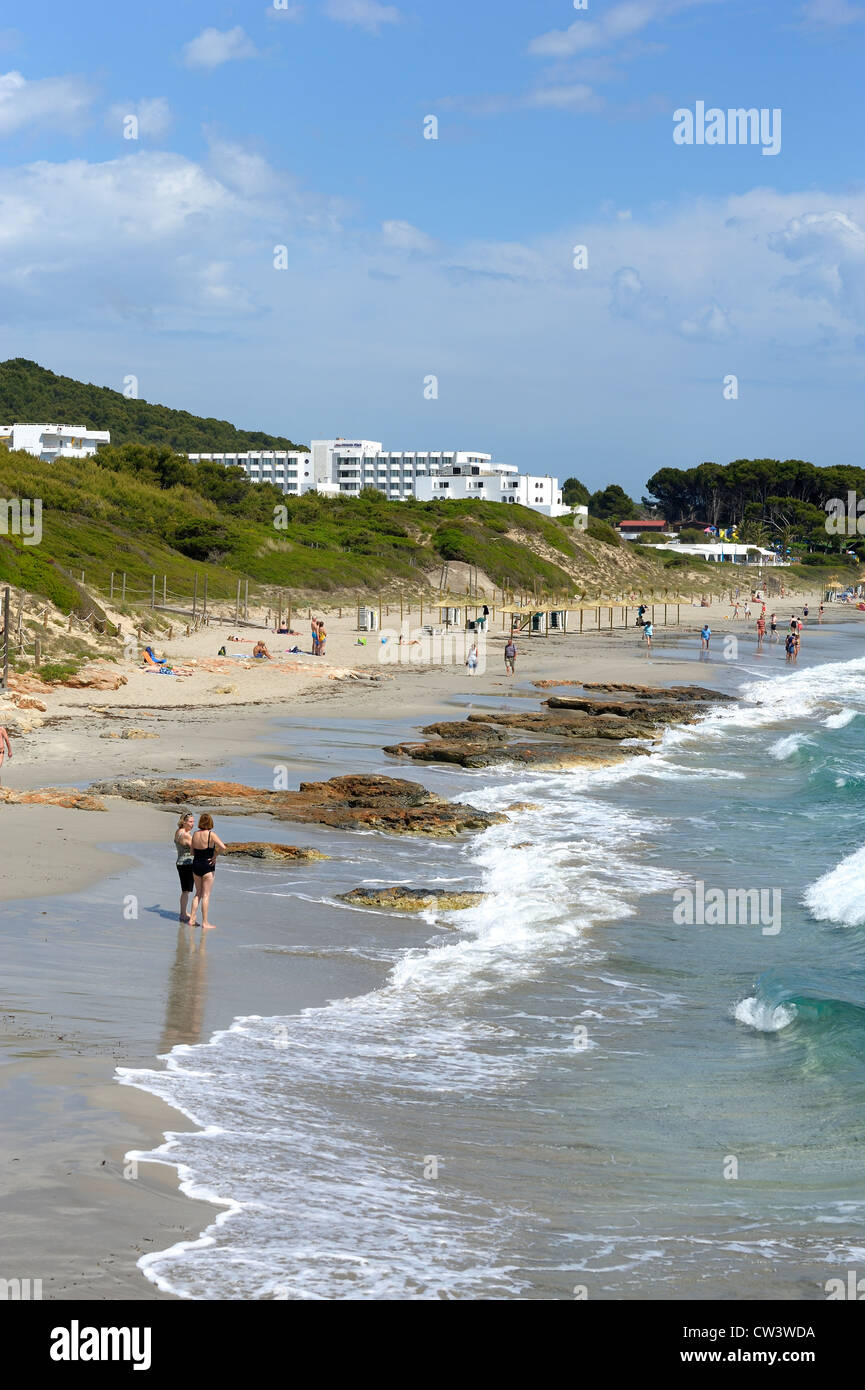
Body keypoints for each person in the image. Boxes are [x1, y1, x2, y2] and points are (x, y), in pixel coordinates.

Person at [188, 813, 226, 930]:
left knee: (197, 894)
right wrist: (215, 855)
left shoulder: (194, 834)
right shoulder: (211, 834)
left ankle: (192, 919)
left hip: (196, 864)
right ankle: (205, 922)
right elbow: (223, 847)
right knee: (206, 895)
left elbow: (192, 852)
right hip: (207, 866)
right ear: (210, 823)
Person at [174, 813, 195, 923]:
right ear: (184, 822)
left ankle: (183, 912)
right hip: (186, 864)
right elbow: (196, 848)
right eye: (190, 822)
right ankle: (183, 914)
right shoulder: (186, 835)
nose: (193, 824)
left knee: (185, 890)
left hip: (180, 862)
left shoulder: (178, 831)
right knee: (186, 891)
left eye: (193, 822)